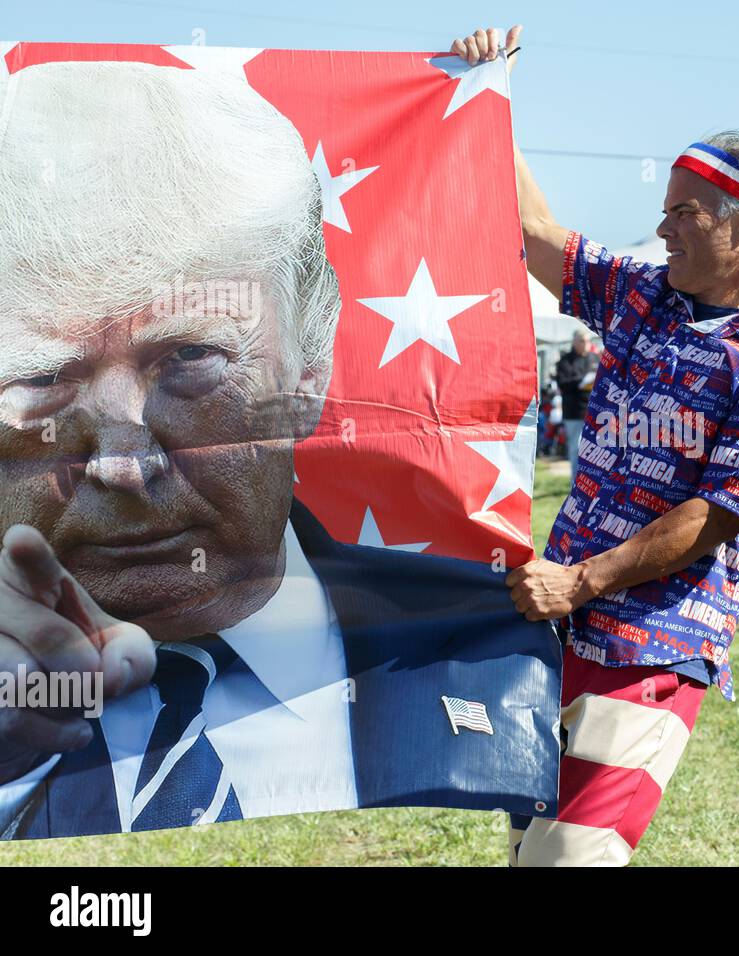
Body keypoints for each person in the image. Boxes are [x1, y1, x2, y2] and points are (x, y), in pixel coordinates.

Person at [0, 61, 559, 839]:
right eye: (38, 377)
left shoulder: (479, 645)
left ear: (311, 359)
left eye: (191, 358)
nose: (124, 465)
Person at [450, 26, 739, 866]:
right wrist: (489, 90)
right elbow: (530, 228)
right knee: (531, 855)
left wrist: (580, 581)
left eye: (683, 212)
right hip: (559, 632)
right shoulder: (644, 294)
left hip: (651, 649)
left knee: (568, 861)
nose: (661, 229)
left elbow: (722, 514)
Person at [553, 330, 599, 473]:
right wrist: (582, 382)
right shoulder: (565, 361)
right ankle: (576, 485)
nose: (586, 344)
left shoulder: (594, 358)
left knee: (595, 450)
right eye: (582, 341)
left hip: (594, 411)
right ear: (574, 342)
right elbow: (562, 383)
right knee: (576, 448)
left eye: (587, 340)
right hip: (574, 412)